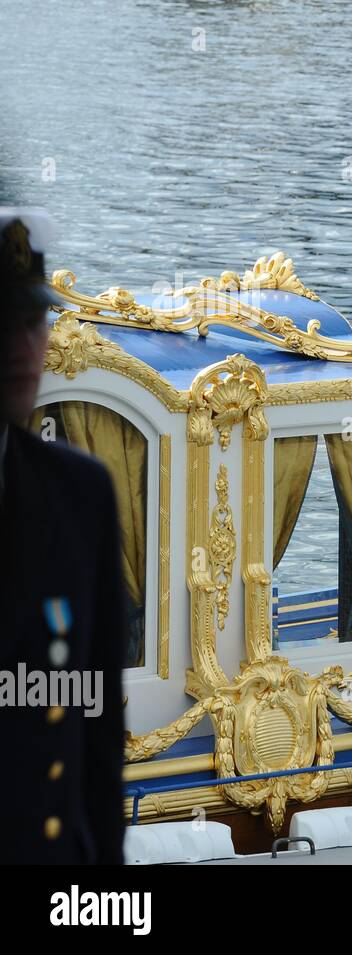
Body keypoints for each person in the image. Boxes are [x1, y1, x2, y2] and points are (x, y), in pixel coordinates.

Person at [0, 208, 127, 864]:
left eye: (32, 323)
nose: (24, 349)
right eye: (3, 325)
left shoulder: (81, 495)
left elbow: (99, 735)